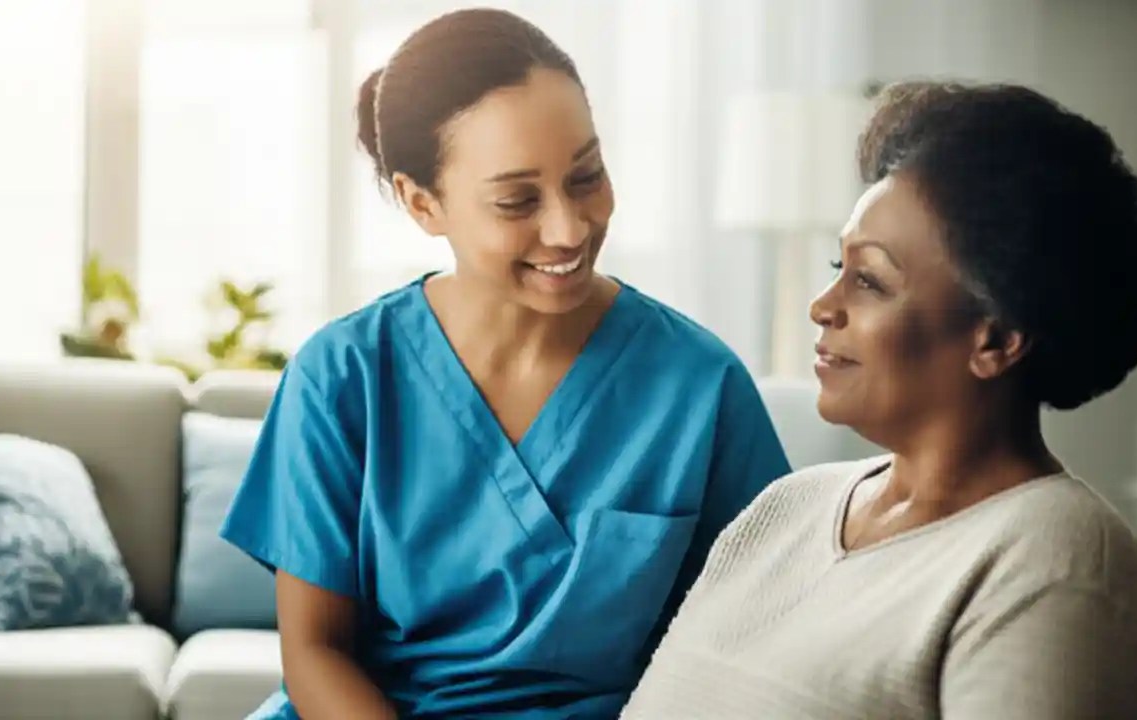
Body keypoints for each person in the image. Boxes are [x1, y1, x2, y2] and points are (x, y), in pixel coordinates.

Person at [219, 8, 791, 719]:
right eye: (517, 200)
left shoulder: (700, 385)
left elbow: (761, 643)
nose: (569, 227)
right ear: (422, 203)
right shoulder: (342, 378)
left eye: (587, 177)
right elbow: (314, 653)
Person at [622, 81, 1137, 719]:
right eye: (837, 267)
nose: (823, 308)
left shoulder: (1056, 554)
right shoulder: (786, 507)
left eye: (870, 280)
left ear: (995, 339)